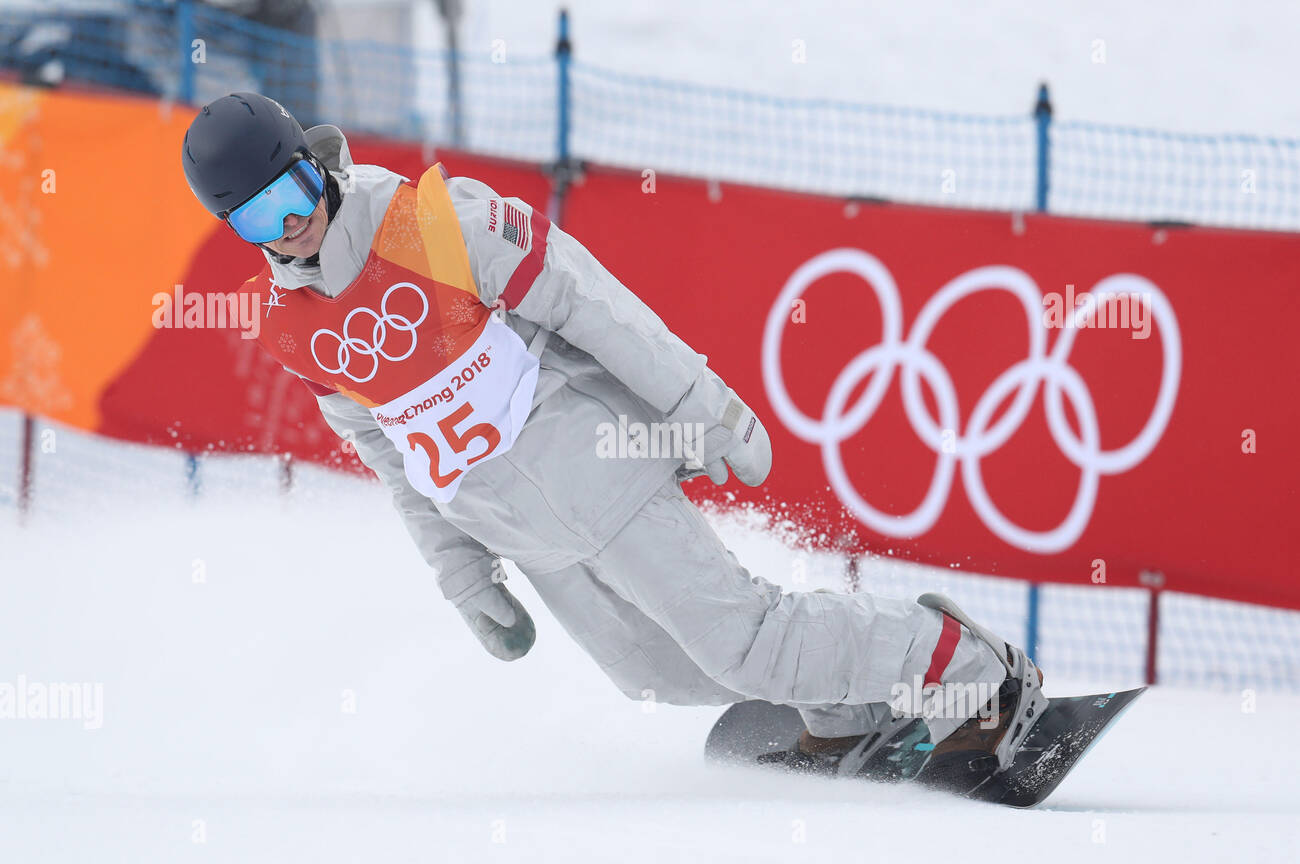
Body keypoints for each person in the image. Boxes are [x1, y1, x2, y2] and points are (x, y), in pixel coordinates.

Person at [180, 92, 1045, 782]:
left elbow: (596, 307)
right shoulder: (293, 330)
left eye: (289, 195)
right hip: (522, 527)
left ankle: (971, 672)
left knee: (740, 639)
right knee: (655, 672)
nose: (285, 226)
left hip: (599, 466)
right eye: (255, 220)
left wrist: (705, 408)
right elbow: (391, 453)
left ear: (315, 165)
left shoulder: (433, 222)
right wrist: (462, 574)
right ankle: (847, 708)